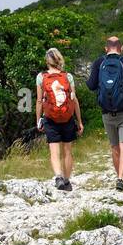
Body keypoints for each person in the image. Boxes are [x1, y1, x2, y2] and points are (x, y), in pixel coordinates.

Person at [86, 36, 123, 192]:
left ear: (106, 48)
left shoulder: (99, 63)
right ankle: (121, 177)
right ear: (121, 48)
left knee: (114, 146)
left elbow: (91, 86)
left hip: (106, 112)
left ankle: (118, 175)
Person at [35, 48, 83, 191]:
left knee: (54, 151)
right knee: (67, 151)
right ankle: (67, 181)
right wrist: (79, 121)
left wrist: (38, 119)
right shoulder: (67, 76)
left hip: (50, 118)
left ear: (47, 61)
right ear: (59, 60)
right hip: (67, 118)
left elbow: (39, 101)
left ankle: (58, 176)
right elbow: (74, 100)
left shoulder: (41, 77)